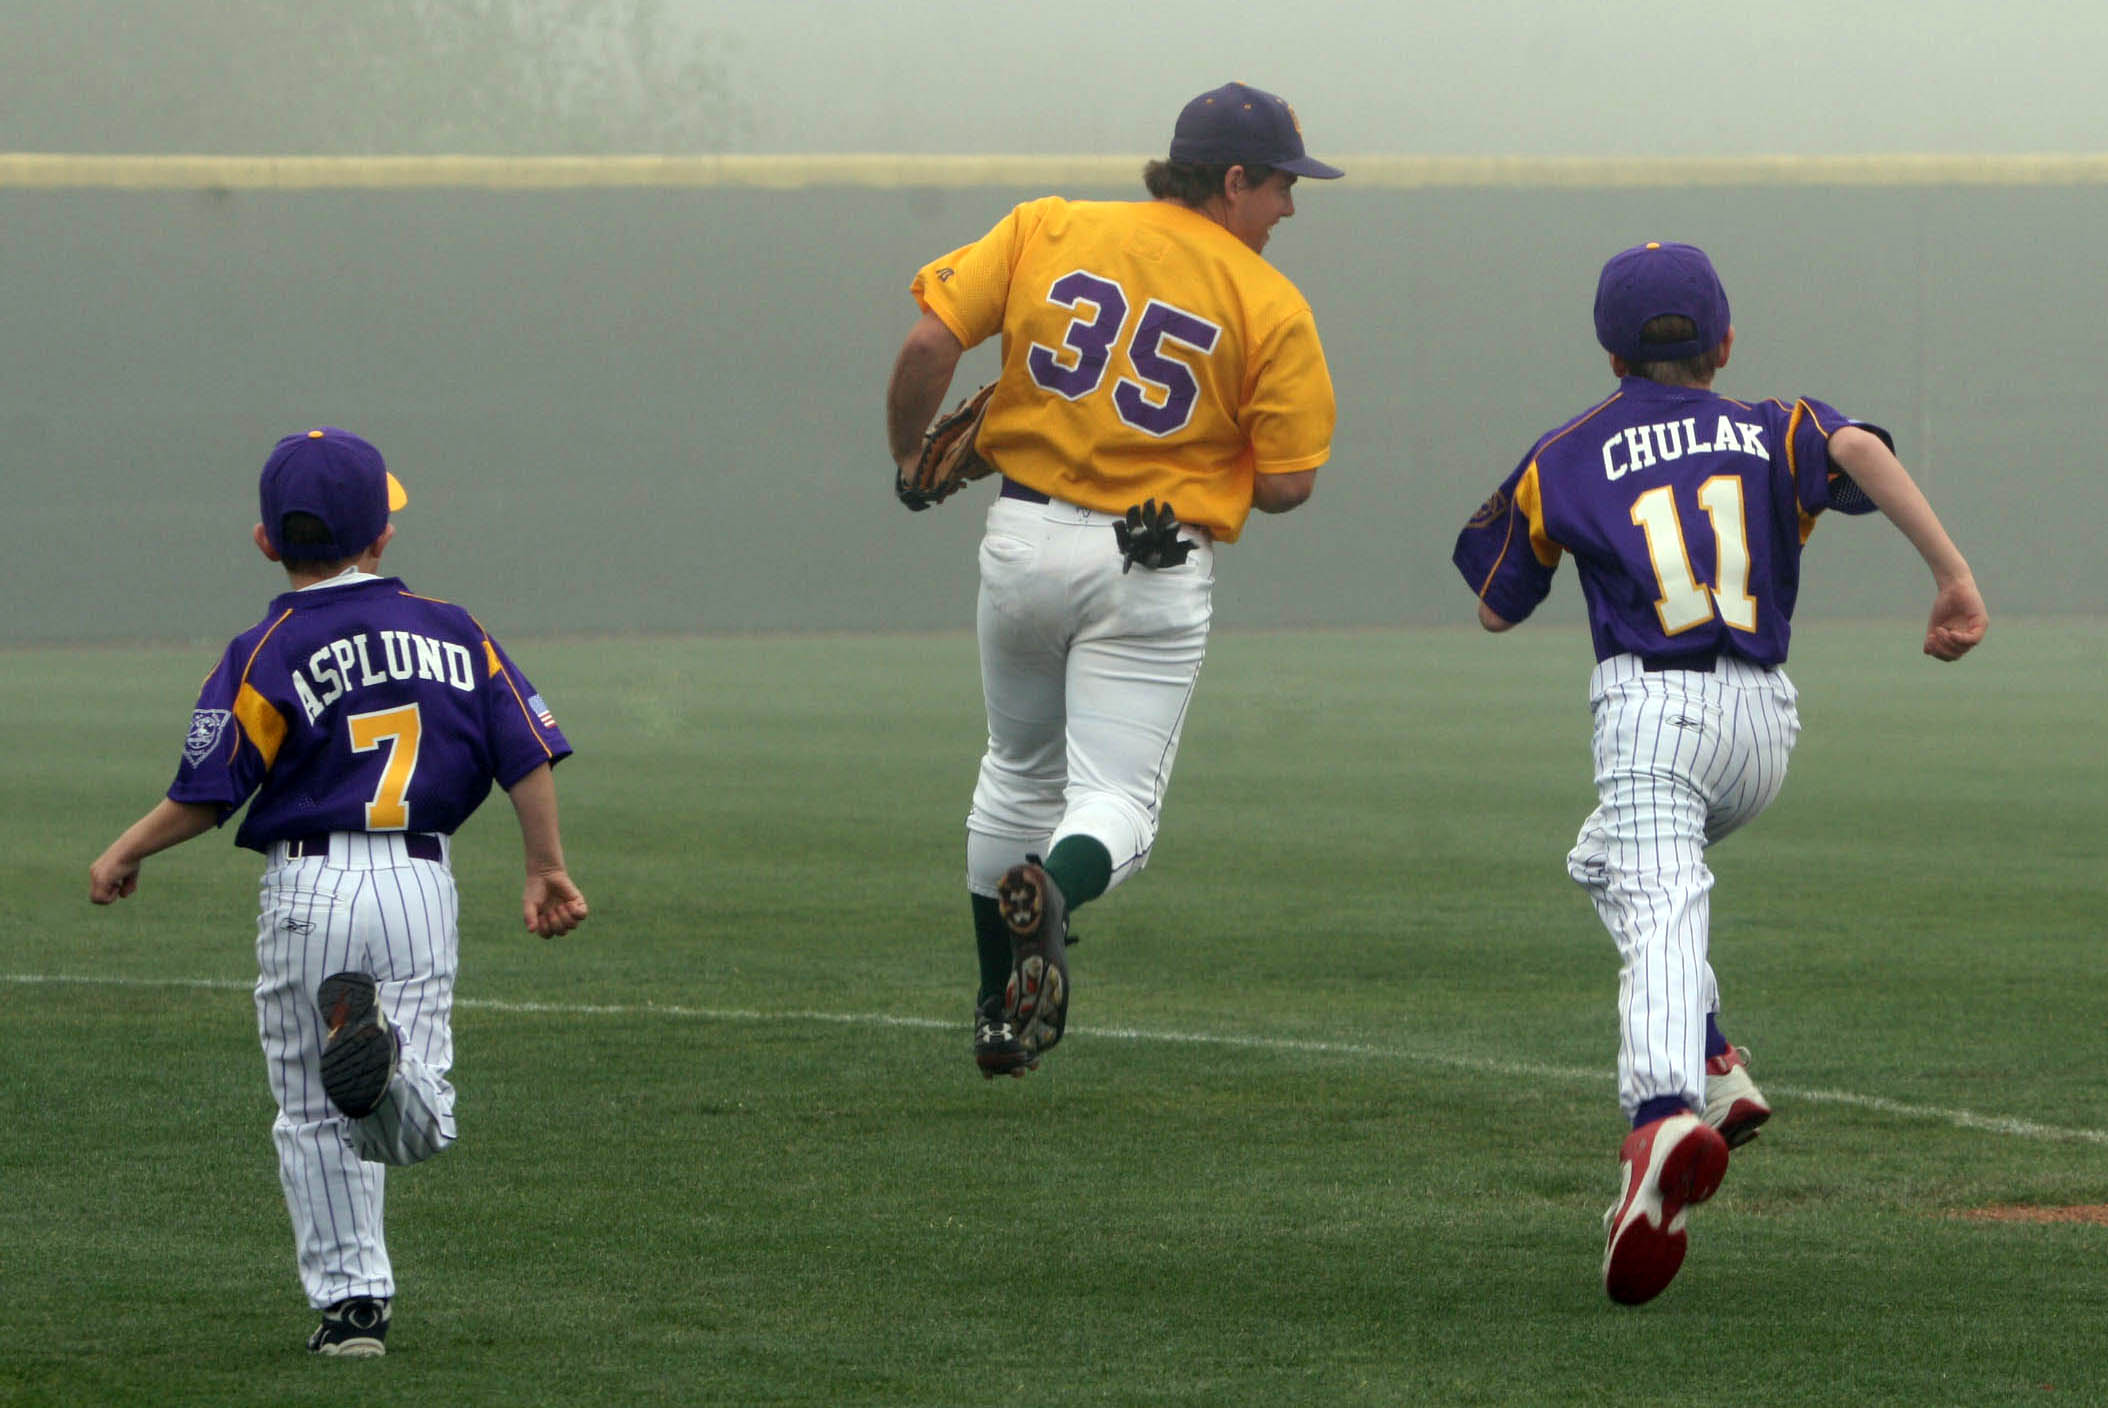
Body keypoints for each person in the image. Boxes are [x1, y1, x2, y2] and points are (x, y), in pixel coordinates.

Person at [1451, 241, 1988, 1305]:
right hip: (1760, 726)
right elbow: (1854, 449)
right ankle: (1710, 1063)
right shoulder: (1776, 424)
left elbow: (1495, 604)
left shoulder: (1563, 452)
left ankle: (1659, 1117)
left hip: (1651, 707)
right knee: (1603, 859)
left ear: (1608, 352)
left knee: (1659, 902)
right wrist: (1951, 572)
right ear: (1724, 341)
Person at [88, 427, 588, 1356]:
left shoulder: (265, 646)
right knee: (416, 1113)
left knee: (313, 1112)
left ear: (266, 543)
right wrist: (543, 864)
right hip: (416, 880)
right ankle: (390, 1073)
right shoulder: (453, 628)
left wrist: (128, 849)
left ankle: (353, 1309)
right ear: (383, 537)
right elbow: (526, 750)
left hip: (309, 887)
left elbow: (209, 789)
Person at [884, 82, 1342, 1077]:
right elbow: (1290, 484)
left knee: (1013, 771)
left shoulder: (1047, 225)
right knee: (1117, 802)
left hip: (1021, 537)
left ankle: (994, 1012)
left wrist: (908, 455)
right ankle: (1053, 888)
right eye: (1279, 186)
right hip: (1150, 560)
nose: (1289, 208)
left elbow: (926, 341)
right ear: (1230, 181)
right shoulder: (1266, 301)